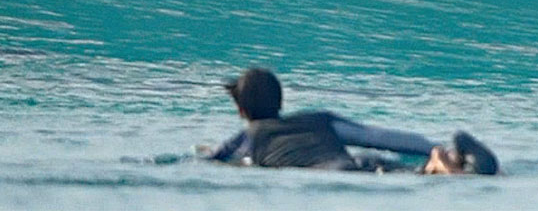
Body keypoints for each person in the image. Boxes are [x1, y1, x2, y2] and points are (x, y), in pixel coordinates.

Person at [201, 67, 498, 175]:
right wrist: (435, 144)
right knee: (392, 166)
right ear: (280, 101)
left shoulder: (249, 136)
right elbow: (378, 136)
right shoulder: (319, 120)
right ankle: (446, 158)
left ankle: (440, 168)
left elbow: (214, 160)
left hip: (327, 176)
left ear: (241, 111)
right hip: (356, 163)